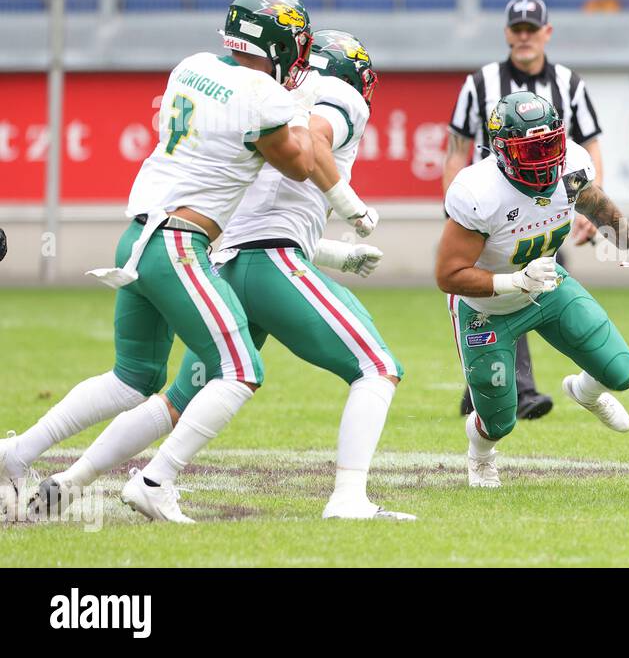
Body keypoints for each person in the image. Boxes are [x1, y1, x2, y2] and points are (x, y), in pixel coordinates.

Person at [28, 30, 408, 522]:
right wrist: (353, 208)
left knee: (178, 398)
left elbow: (271, 207)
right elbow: (313, 146)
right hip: (269, 264)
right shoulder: (338, 95)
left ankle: (70, 481)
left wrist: (334, 254)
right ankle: (347, 497)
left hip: (226, 263)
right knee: (376, 366)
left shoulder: (267, 98)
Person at [0, 0, 325, 523]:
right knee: (240, 369)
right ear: (277, 45)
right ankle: (156, 480)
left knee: (133, 375)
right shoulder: (265, 95)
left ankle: (17, 454)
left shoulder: (192, 65)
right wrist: (306, 111)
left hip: (136, 237)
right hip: (178, 243)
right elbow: (300, 165)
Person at [436, 91, 629, 488]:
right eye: (531, 150)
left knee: (622, 371)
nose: (545, 157)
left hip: (547, 288)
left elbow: (596, 206)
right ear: (503, 151)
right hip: (485, 308)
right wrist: (513, 281)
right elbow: (449, 274)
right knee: (500, 421)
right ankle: (480, 456)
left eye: (550, 144)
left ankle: (585, 392)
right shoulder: (479, 192)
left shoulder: (572, 166)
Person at [443, 0, 606, 421]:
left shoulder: (569, 83)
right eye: (516, 29)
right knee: (514, 284)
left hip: (549, 205)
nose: (524, 37)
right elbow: (456, 149)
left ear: (547, 33)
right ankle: (520, 388)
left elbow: (589, 146)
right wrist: (455, 214)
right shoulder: (480, 82)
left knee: (536, 285)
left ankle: (490, 385)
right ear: (506, 33)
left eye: (531, 29)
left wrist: (589, 206)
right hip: (498, 210)